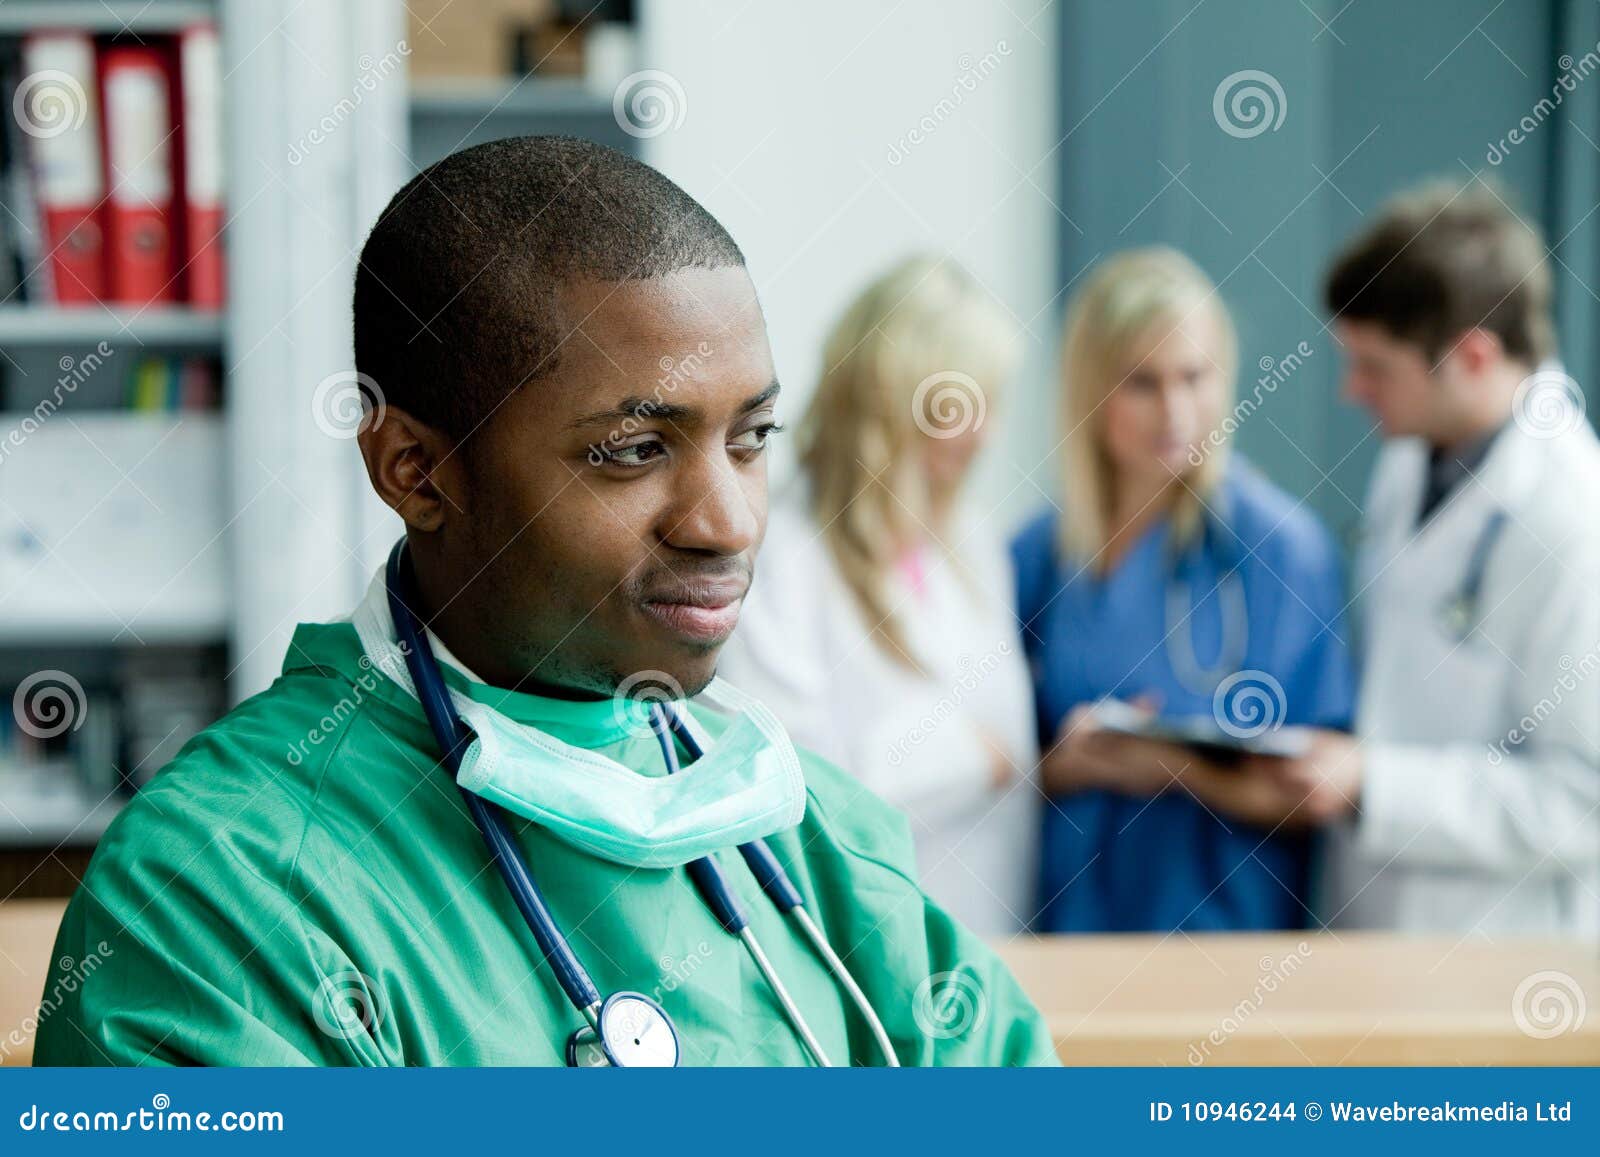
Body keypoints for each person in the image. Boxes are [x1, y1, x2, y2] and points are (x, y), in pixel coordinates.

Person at [35, 136, 1055, 1066]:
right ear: (417, 472)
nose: (729, 521)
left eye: (749, 438)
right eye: (632, 451)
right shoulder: (213, 898)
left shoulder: (822, 841)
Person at [1012, 247, 1357, 934]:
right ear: (1091, 391)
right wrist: (1068, 767)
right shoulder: (1038, 554)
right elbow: (1008, 773)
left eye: (1194, 377)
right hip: (1068, 934)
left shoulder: (1280, 550)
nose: (1175, 411)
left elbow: (1318, 788)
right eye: (1141, 382)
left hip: (1224, 939)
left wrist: (1167, 766)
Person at [1308, 181, 1600, 941]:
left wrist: (1374, 783)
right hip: (1379, 924)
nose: (1352, 390)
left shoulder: (1573, 518)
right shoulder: (1413, 458)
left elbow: (1584, 799)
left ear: (1472, 355)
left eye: (1374, 367)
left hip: (1500, 955)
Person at [717, 256, 1037, 936]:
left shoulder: (971, 544)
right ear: (889, 402)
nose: (982, 433)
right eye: (958, 404)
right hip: (856, 942)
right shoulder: (784, 553)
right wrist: (969, 754)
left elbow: (1015, 747)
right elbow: (795, 786)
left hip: (990, 931)